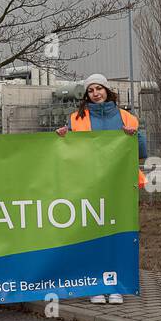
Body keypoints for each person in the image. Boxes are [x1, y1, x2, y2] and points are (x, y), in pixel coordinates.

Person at [55, 73, 142, 305]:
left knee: (117, 237)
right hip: (89, 186)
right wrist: (61, 137)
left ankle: (115, 286)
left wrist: (135, 136)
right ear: (86, 95)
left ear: (107, 90)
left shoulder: (126, 118)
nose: (96, 93)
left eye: (99, 88)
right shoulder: (76, 119)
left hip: (119, 186)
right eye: (91, 90)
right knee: (92, 237)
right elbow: (66, 152)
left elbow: (141, 150)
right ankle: (95, 285)